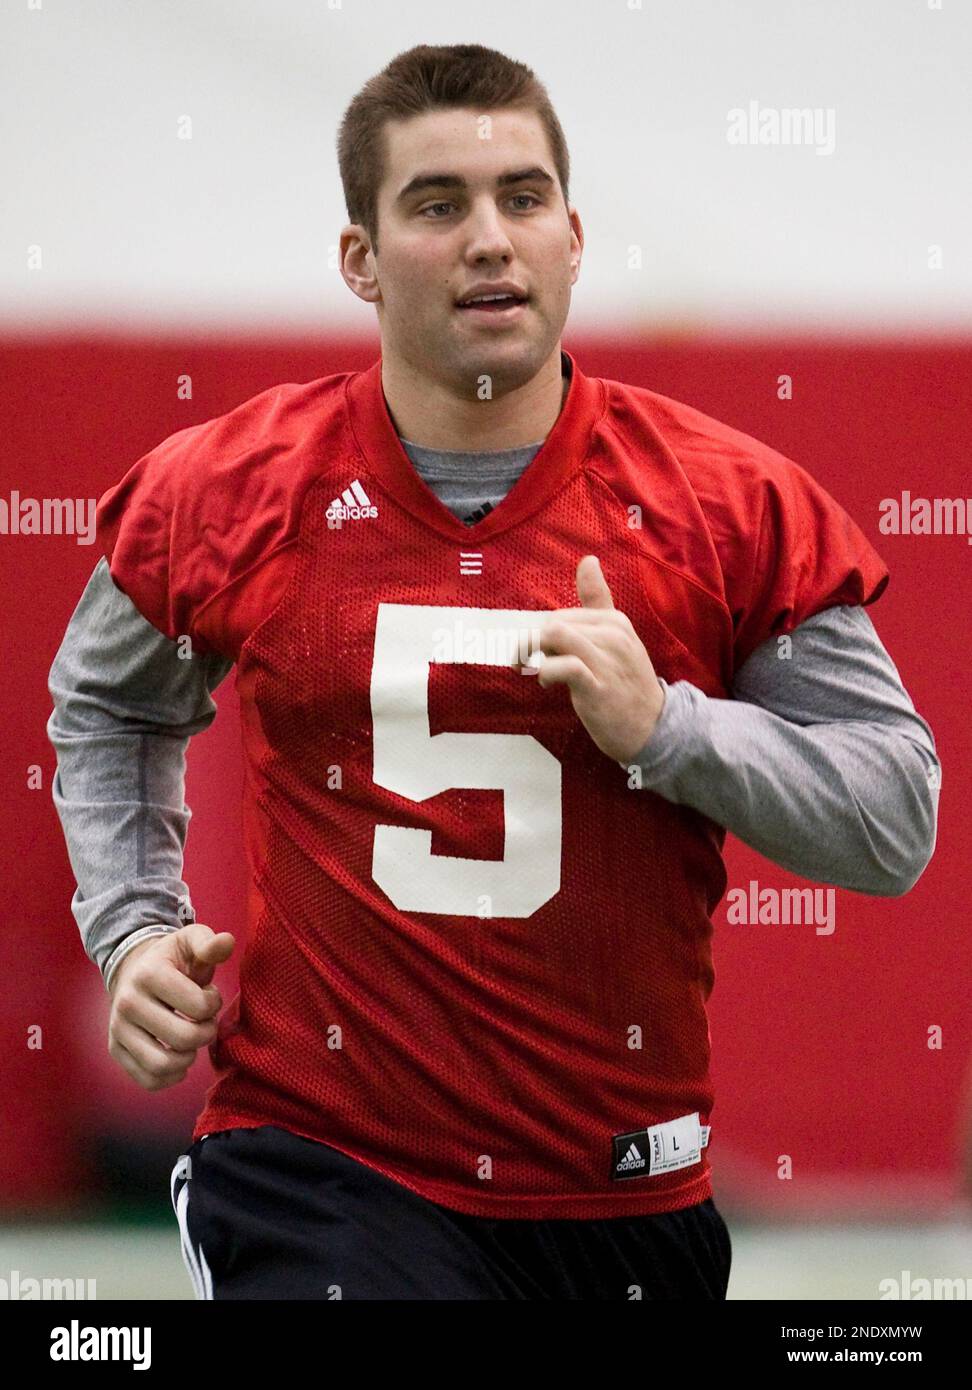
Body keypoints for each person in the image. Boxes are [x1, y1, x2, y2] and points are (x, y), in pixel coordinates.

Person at [47, 43, 940, 1300]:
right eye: (437, 204)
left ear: (572, 239)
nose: (488, 239)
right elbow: (108, 702)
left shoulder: (729, 504)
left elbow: (895, 813)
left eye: (522, 199)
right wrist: (135, 925)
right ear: (359, 259)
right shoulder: (234, 487)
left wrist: (670, 728)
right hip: (326, 1173)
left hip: (625, 1192)